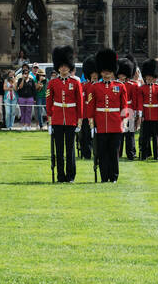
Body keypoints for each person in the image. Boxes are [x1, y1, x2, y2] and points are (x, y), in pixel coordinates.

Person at [89, 47, 128, 183]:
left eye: (109, 72)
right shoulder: (95, 87)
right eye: (104, 72)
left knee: (113, 152)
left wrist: (124, 121)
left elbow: (124, 106)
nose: (106, 74)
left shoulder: (120, 86)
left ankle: (114, 176)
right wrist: (91, 122)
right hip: (100, 123)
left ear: (113, 72)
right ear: (101, 72)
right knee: (102, 152)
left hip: (115, 123)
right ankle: (104, 177)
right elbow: (91, 105)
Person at [46, 46, 84, 183]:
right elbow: (49, 102)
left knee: (70, 150)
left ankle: (71, 176)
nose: (63, 69)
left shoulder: (75, 83)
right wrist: (49, 122)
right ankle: (60, 176)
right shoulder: (52, 83)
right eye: (61, 66)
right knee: (59, 150)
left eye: (65, 66)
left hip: (71, 119)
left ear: (69, 67)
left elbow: (80, 102)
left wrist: (79, 121)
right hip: (56, 119)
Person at [137, 60, 158, 160]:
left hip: (155, 115)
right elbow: (140, 103)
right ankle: (144, 155)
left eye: (151, 78)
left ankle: (156, 155)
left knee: (156, 137)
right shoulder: (141, 88)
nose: (149, 79)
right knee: (145, 137)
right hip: (146, 115)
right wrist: (140, 116)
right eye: (147, 78)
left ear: (154, 77)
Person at [116, 57, 138, 160]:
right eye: (120, 74)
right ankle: (118, 153)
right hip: (118, 111)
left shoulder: (132, 86)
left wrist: (136, 113)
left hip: (129, 111)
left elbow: (135, 100)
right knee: (119, 134)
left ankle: (131, 153)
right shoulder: (115, 85)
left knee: (130, 134)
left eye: (123, 74)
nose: (121, 76)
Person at [79, 57, 97, 159]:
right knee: (85, 136)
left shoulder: (100, 86)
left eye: (96, 73)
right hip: (86, 114)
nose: (94, 75)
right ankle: (86, 154)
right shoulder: (85, 86)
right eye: (92, 73)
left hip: (98, 114)